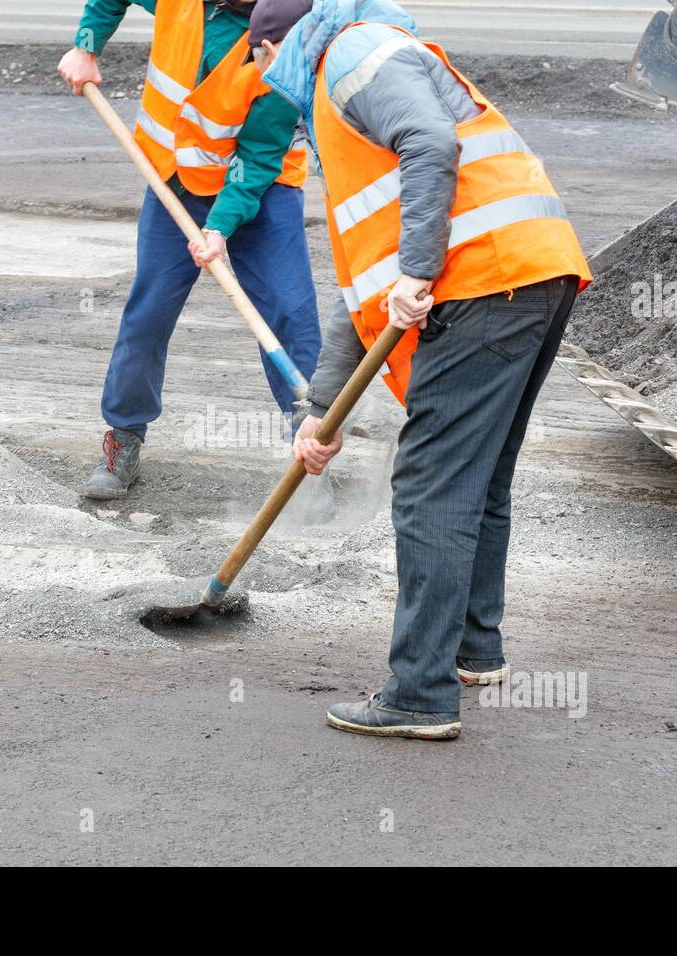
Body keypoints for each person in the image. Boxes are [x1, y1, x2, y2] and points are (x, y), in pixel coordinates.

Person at [249, 0, 592, 739]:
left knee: (430, 484)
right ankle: (473, 647)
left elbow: (431, 142)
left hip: (486, 280)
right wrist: (321, 412)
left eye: (260, 64)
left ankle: (419, 694)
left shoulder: (348, 54)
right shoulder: (349, 95)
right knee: (480, 473)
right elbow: (362, 294)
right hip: (529, 268)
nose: (267, 85)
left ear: (274, 47)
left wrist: (418, 266)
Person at [58, 0, 322, 500]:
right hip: (174, 182)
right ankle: (124, 437)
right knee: (149, 312)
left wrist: (219, 226)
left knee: (289, 312)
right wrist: (86, 47)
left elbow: (258, 156)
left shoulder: (284, 37)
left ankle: (310, 447)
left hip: (263, 190)